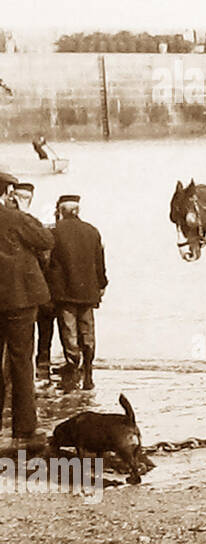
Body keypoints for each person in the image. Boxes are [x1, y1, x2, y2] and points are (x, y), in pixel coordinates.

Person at [0, 171, 54, 441]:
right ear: (7, 192)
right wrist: (25, 211)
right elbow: (46, 240)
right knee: (22, 362)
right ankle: (24, 427)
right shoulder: (16, 218)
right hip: (20, 301)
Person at [47, 195, 107, 390]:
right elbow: (100, 262)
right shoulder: (92, 231)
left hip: (64, 291)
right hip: (89, 291)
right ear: (77, 211)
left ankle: (73, 366)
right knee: (87, 330)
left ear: (60, 211)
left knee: (69, 331)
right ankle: (88, 370)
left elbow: (48, 263)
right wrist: (102, 284)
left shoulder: (54, 231)